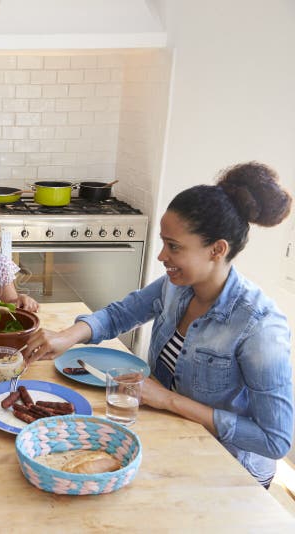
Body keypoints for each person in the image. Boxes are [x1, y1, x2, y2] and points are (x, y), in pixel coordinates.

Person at [24, 162, 293, 487]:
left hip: (229, 469)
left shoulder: (259, 325)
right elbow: (120, 314)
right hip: (172, 432)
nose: (161, 255)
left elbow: (274, 440)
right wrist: (66, 337)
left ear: (217, 250)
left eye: (174, 246)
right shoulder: (177, 285)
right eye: (164, 242)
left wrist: (166, 399)